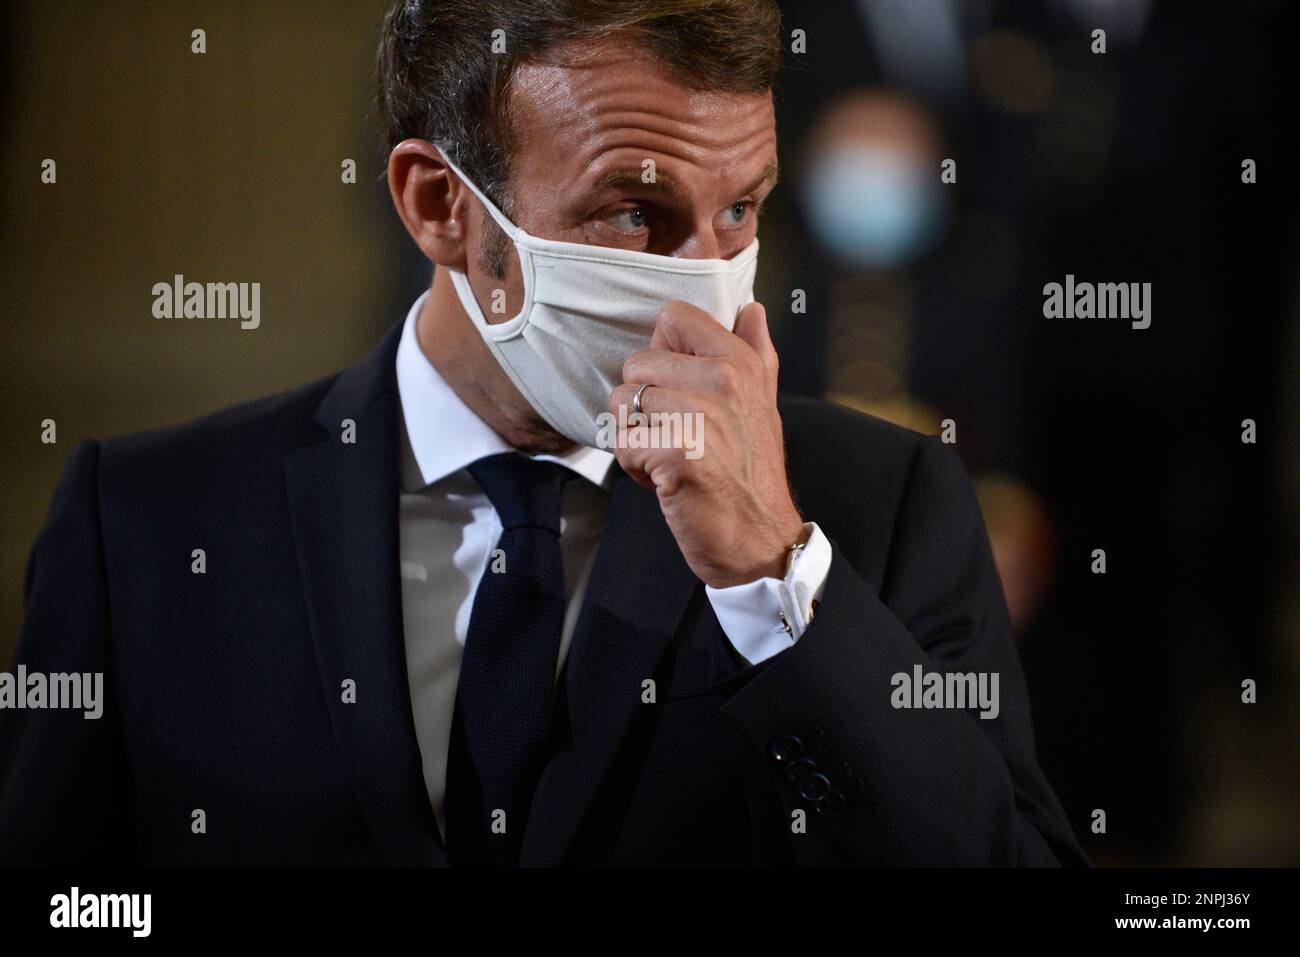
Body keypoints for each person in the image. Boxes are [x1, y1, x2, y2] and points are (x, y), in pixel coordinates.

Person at [0, 0, 1085, 867]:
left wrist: (774, 582)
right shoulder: (144, 525)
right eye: (631, 214)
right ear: (440, 206)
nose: (703, 284)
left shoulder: (881, 508)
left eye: (740, 211)